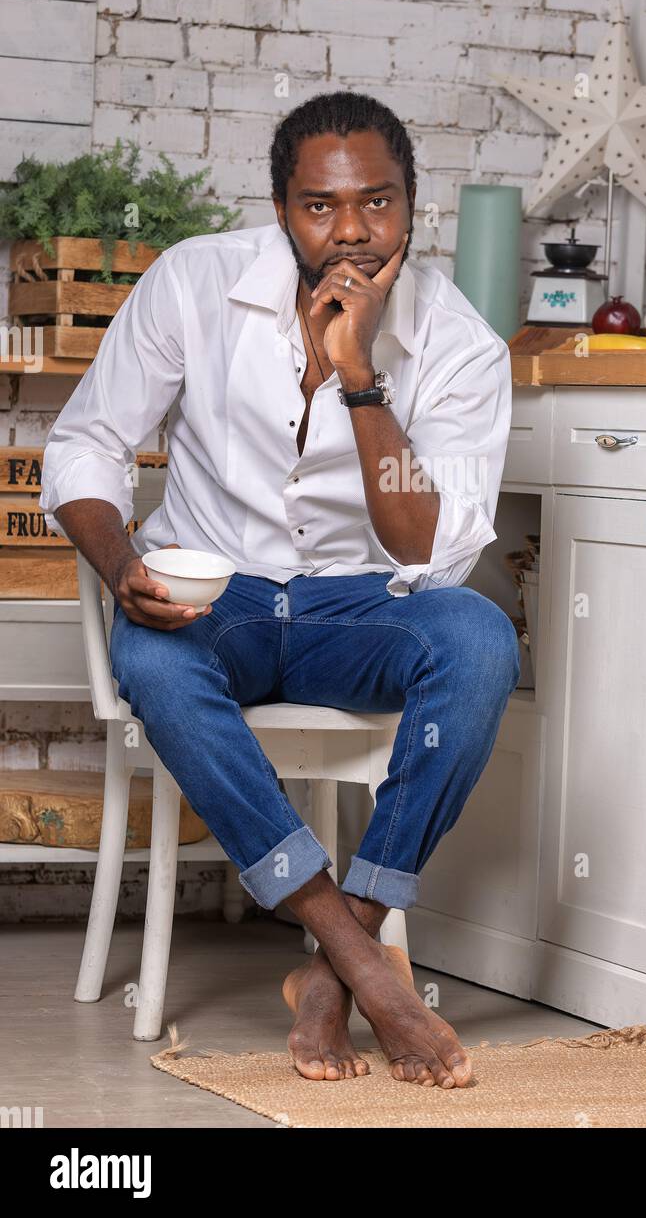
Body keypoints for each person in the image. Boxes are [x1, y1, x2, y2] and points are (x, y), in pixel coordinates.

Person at [40, 90, 521, 1090]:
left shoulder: (459, 341)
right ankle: (353, 955)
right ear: (277, 205)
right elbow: (86, 442)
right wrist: (124, 567)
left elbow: (428, 549)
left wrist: (358, 377)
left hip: (363, 608)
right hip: (224, 600)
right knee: (154, 658)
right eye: (319, 206)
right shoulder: (193, 284)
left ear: (413, 206)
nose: (350, 229)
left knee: (477, 638)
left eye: (377, 204)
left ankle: (340, 962)